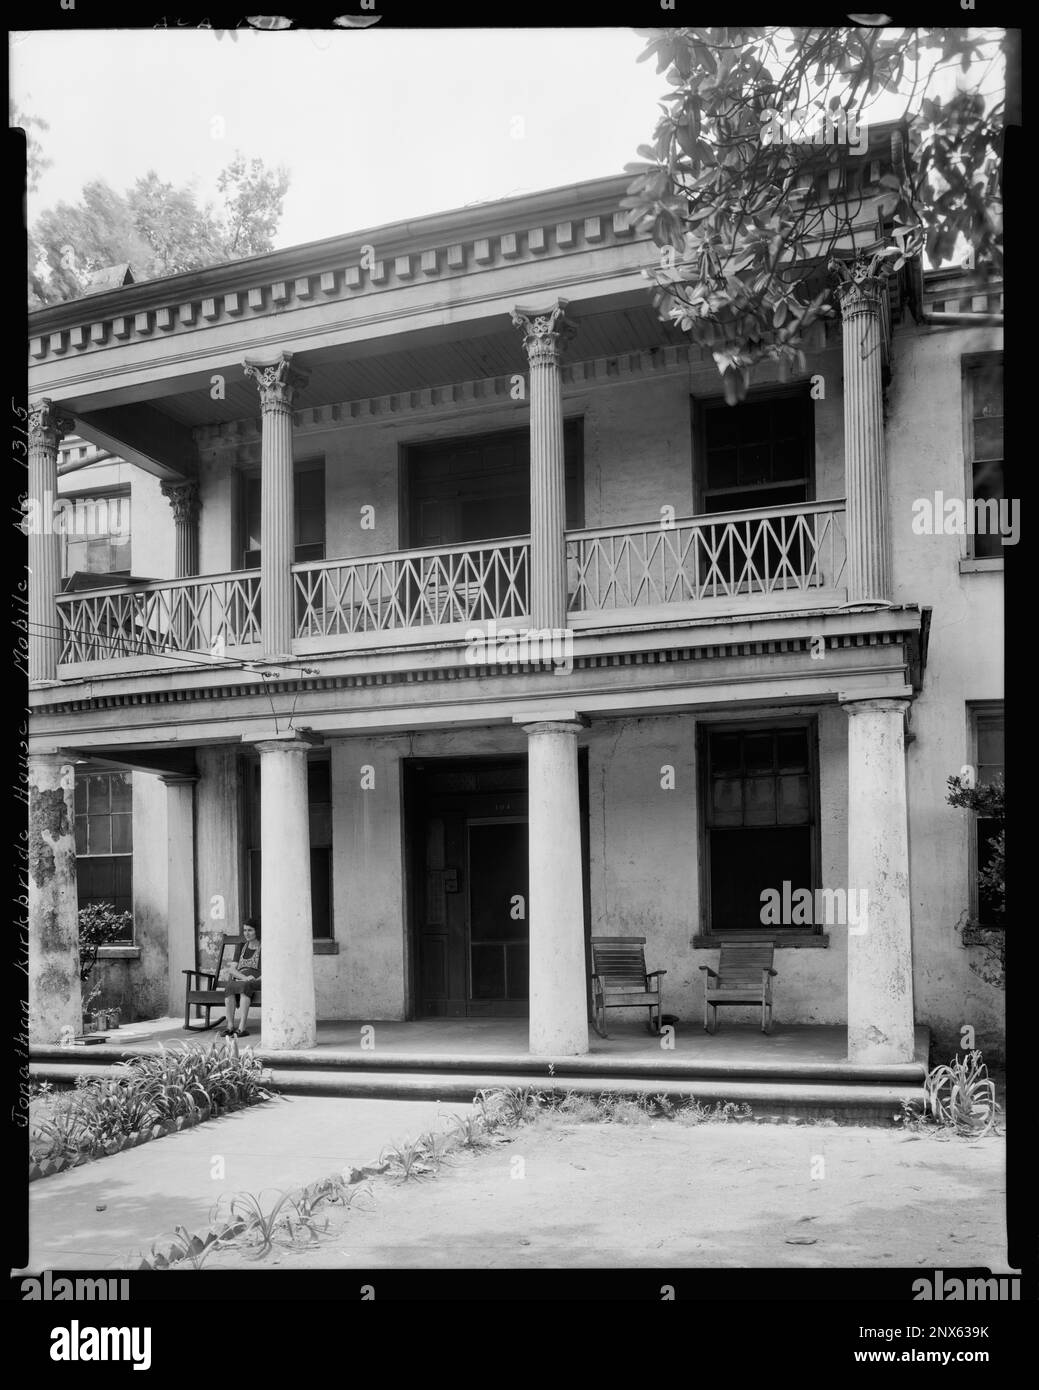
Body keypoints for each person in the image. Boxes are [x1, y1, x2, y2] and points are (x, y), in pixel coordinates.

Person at [221, 920, 261, 1037]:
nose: (246, 933)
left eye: (250, 930)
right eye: (245, 930)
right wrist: (244, 977)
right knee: (229, 986)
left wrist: (254, 979)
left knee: (244, 986)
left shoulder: (263, 946)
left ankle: (242, 1027)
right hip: (243, 980)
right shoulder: (241, 947)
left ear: (256, 931)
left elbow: (269, 969)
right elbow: (232, 970)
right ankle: (230, 1026)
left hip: (257, 980)